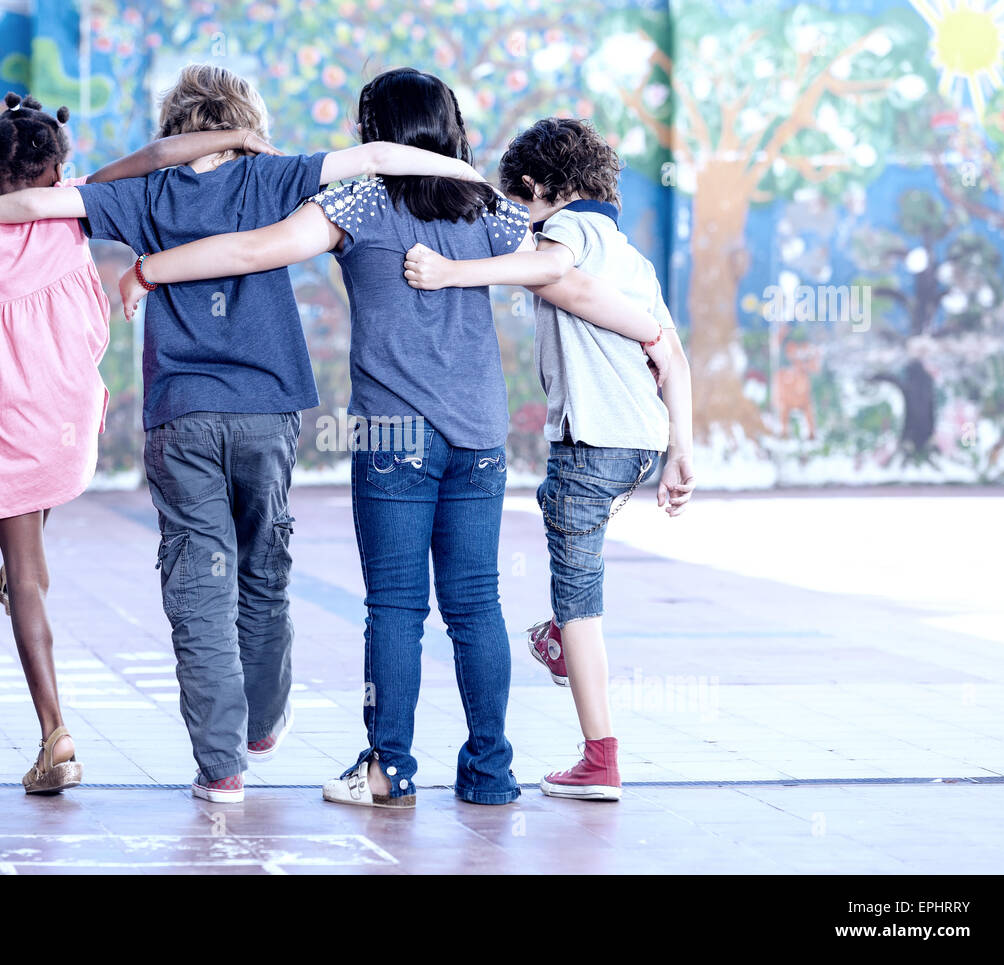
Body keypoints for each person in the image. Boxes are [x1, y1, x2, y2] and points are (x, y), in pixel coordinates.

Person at [120, 69, 668, 809]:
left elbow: (252, 252)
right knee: (477, 605)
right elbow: (561, 278)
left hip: (393, 435)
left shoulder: (360, 200)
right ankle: (491, 771)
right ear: (450, 129)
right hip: (478, 433)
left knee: (396, 608)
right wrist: (653, 333)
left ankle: (389, 770)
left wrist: (150, 269)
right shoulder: (492, 210)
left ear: (375, 132)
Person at [0, 65, 486, 803]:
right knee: (263, 564)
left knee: (197, 581)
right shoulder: (277, 176)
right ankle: (264, 722)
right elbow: (375, 158)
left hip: (182, 412)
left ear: (174, 125)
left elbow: (36, 205)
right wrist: (463, 167)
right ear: (245, 116)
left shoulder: (143, 193)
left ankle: (222, 768)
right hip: (267, 406)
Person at [0, 91, 273, 794]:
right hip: (70, 418)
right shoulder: (75, 204)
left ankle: (55, 736)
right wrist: (243, 137)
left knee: (30, 579)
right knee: (28, 553)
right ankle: (17, 578)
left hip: (5, 427)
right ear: (58, 165)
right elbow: (160, 153)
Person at [402, 117, 697, 802]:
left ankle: (599, 756)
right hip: (638, 443)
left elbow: (549, 267)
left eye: (525, 205)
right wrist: (682, 447)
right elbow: (670, 352)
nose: (528, 222)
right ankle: (561, 637)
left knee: (580, 595)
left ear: (536, 188)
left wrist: (450, 272)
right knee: (577, 580)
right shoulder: (629, 252)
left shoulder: (571, 231)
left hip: (591, 440)